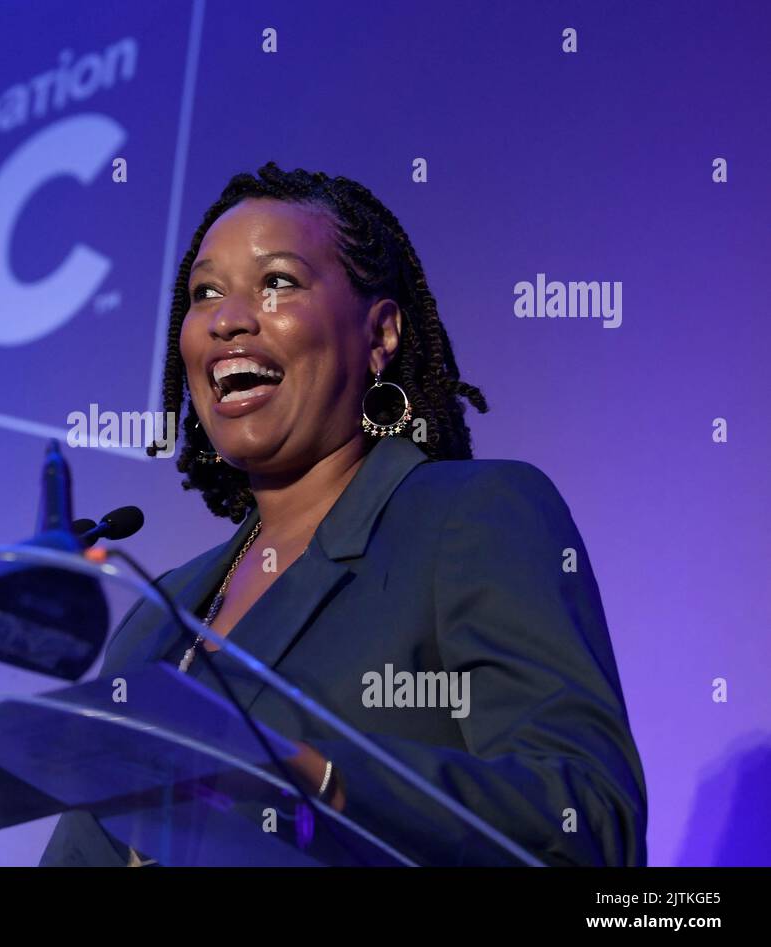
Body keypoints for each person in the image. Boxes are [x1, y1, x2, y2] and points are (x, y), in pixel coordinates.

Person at [39, 162, 646, 866]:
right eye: (205, 292)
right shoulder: (156, 612)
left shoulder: (470, 519)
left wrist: (321, 780)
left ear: (381, 334)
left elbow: (589, 819)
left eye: (278, 282)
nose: (228, 318)